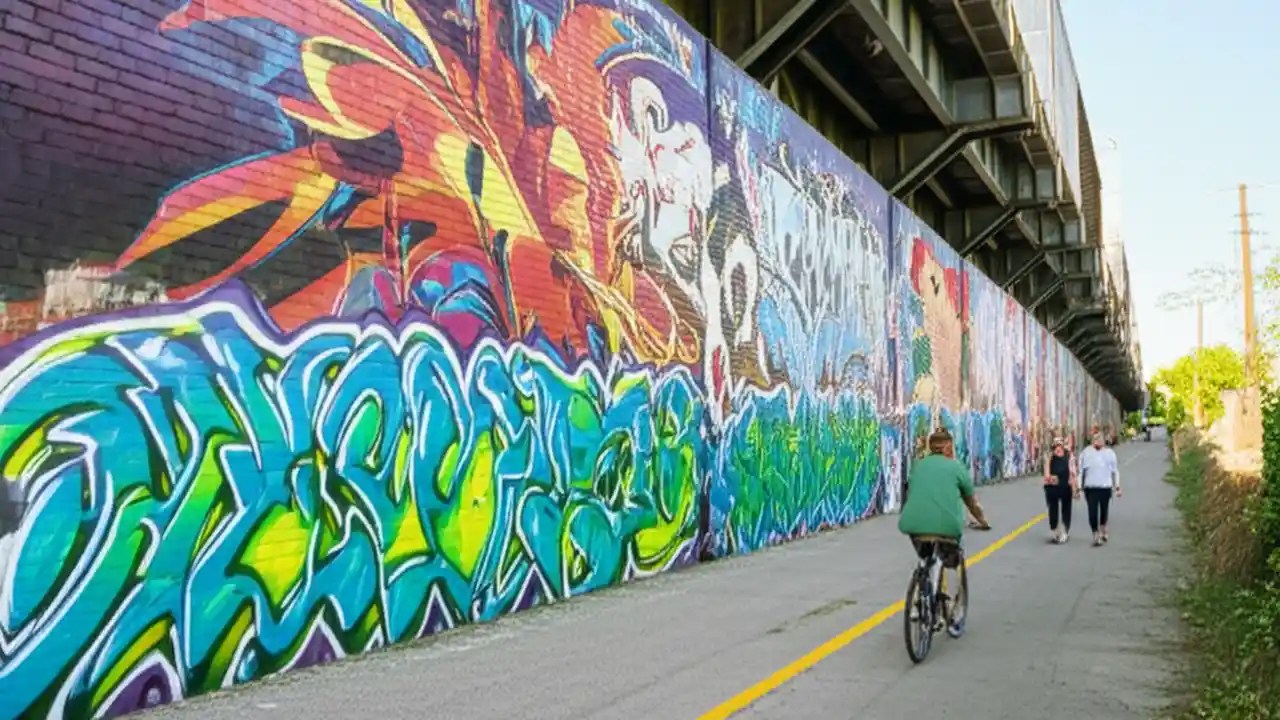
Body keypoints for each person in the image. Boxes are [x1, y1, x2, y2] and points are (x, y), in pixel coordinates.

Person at [898, 428, 991, 631]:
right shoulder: (956, 467)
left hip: (912, 524)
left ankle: (918, 603)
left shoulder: (918, 466)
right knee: (952, 563)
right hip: (946, 529)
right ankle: (952, 612)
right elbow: (972, 503)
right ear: (948, 447)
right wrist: (983, 521)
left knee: (926, 559)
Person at [1077, 432, 1122, 546]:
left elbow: (1115, 471)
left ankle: (1103, 528)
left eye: (1100, 439)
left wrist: (1117, 486)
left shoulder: (1110, 453)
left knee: (1104, 510)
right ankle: (1095, 533)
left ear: (1104, 441)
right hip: (1090, 488)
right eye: (1096, 439)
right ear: (1092, 441)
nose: (1098, 441)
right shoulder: (1086, 453)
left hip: (1105, 487)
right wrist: (1078, 488)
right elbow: (1080, 472)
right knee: (1092, 512)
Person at [1042, 437, 1076, 544]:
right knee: (1053, 510)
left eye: (1060, 445)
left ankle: (1065, 531)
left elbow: (1072, 472)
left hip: (1065, 486)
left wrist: (1075, 487)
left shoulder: (1069, 455)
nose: (1058, 447)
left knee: (1066, 509)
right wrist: (1050, 478)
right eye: (1056, 445)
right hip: (1052, 487)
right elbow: (1046, 473)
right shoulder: (1049, 456)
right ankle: (1055, 531)